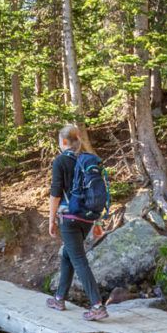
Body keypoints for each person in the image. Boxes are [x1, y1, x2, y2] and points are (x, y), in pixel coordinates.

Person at [47, 124, 108, 321]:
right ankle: (59, 298)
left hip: (69, 218)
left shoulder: (60, 162)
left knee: (78, 259)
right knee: (68, 254)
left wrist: (51, 220)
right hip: (87, 217)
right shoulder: (86, 159)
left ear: (64, 142)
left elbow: (55, 194)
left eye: (59, 141)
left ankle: (97, 306)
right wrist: (97, 221)